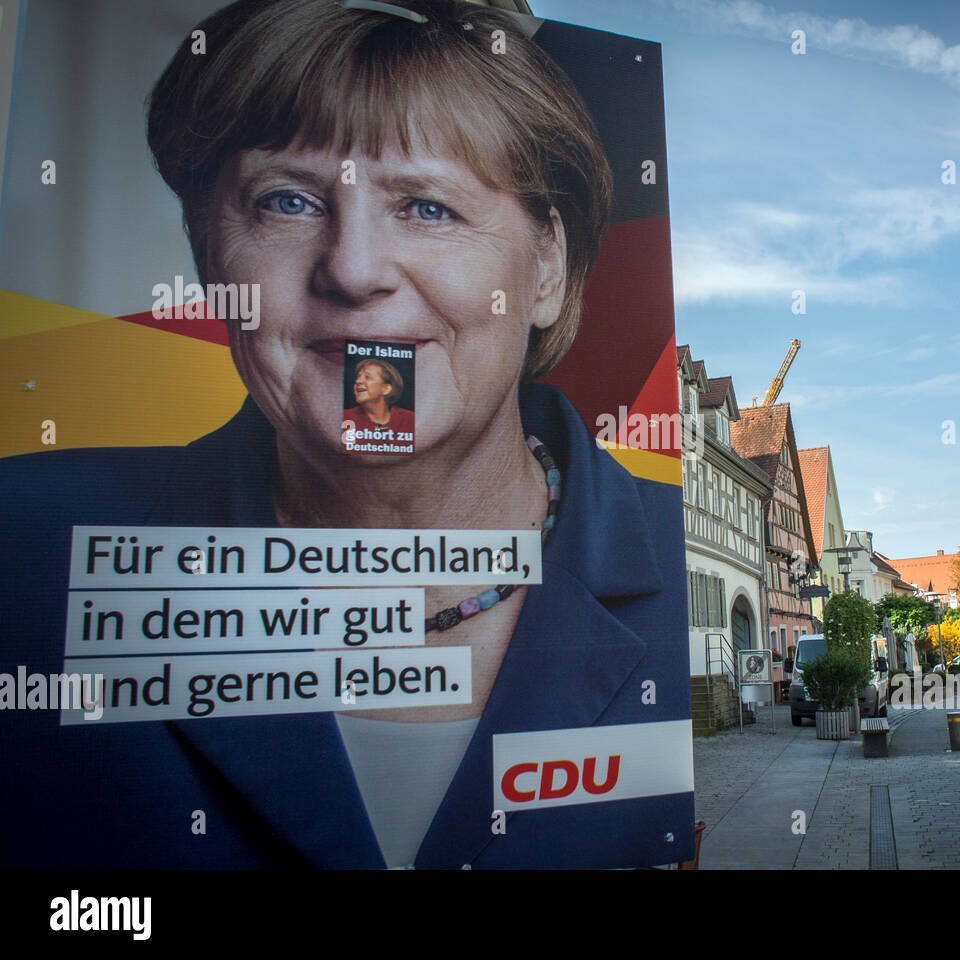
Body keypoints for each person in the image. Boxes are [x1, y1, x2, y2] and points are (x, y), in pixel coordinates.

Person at [0, 0, 690, 869]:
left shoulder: (680, 563)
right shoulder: (22, 548)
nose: (354, 269)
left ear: (546, 267)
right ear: (211, 255)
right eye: (287, 201)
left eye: (429, 207)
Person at [344, 358, 415, 436]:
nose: (357, 381)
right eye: (358, 377)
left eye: (367, 377)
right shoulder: (345, 417)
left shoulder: (410, 419)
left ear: (386, 389)